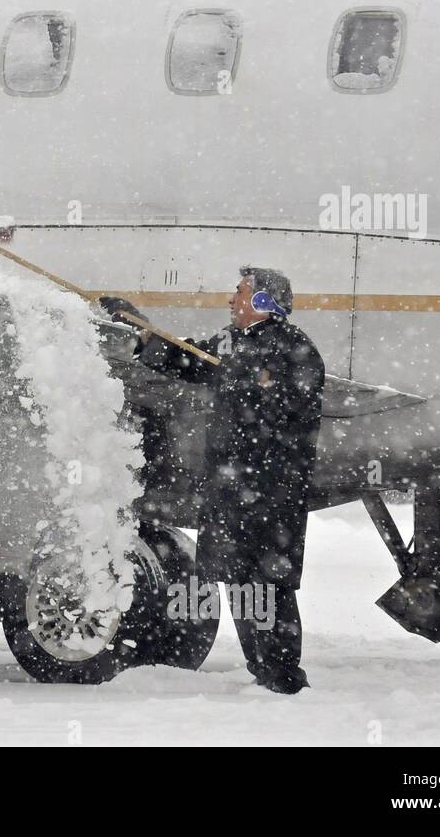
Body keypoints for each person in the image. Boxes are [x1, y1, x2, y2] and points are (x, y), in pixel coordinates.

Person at [101, 267, 325, 694]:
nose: (230, 300)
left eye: (239, 293)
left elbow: (280, 409)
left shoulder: (294, 349)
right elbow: (188, 358)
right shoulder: (232, 343)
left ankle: (282, 676)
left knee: (266, 583)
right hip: (232, 489)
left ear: (263, 302)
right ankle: (263, 672)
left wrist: (245, 378)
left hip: (268, 491)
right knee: (240, 579)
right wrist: (142, 330)